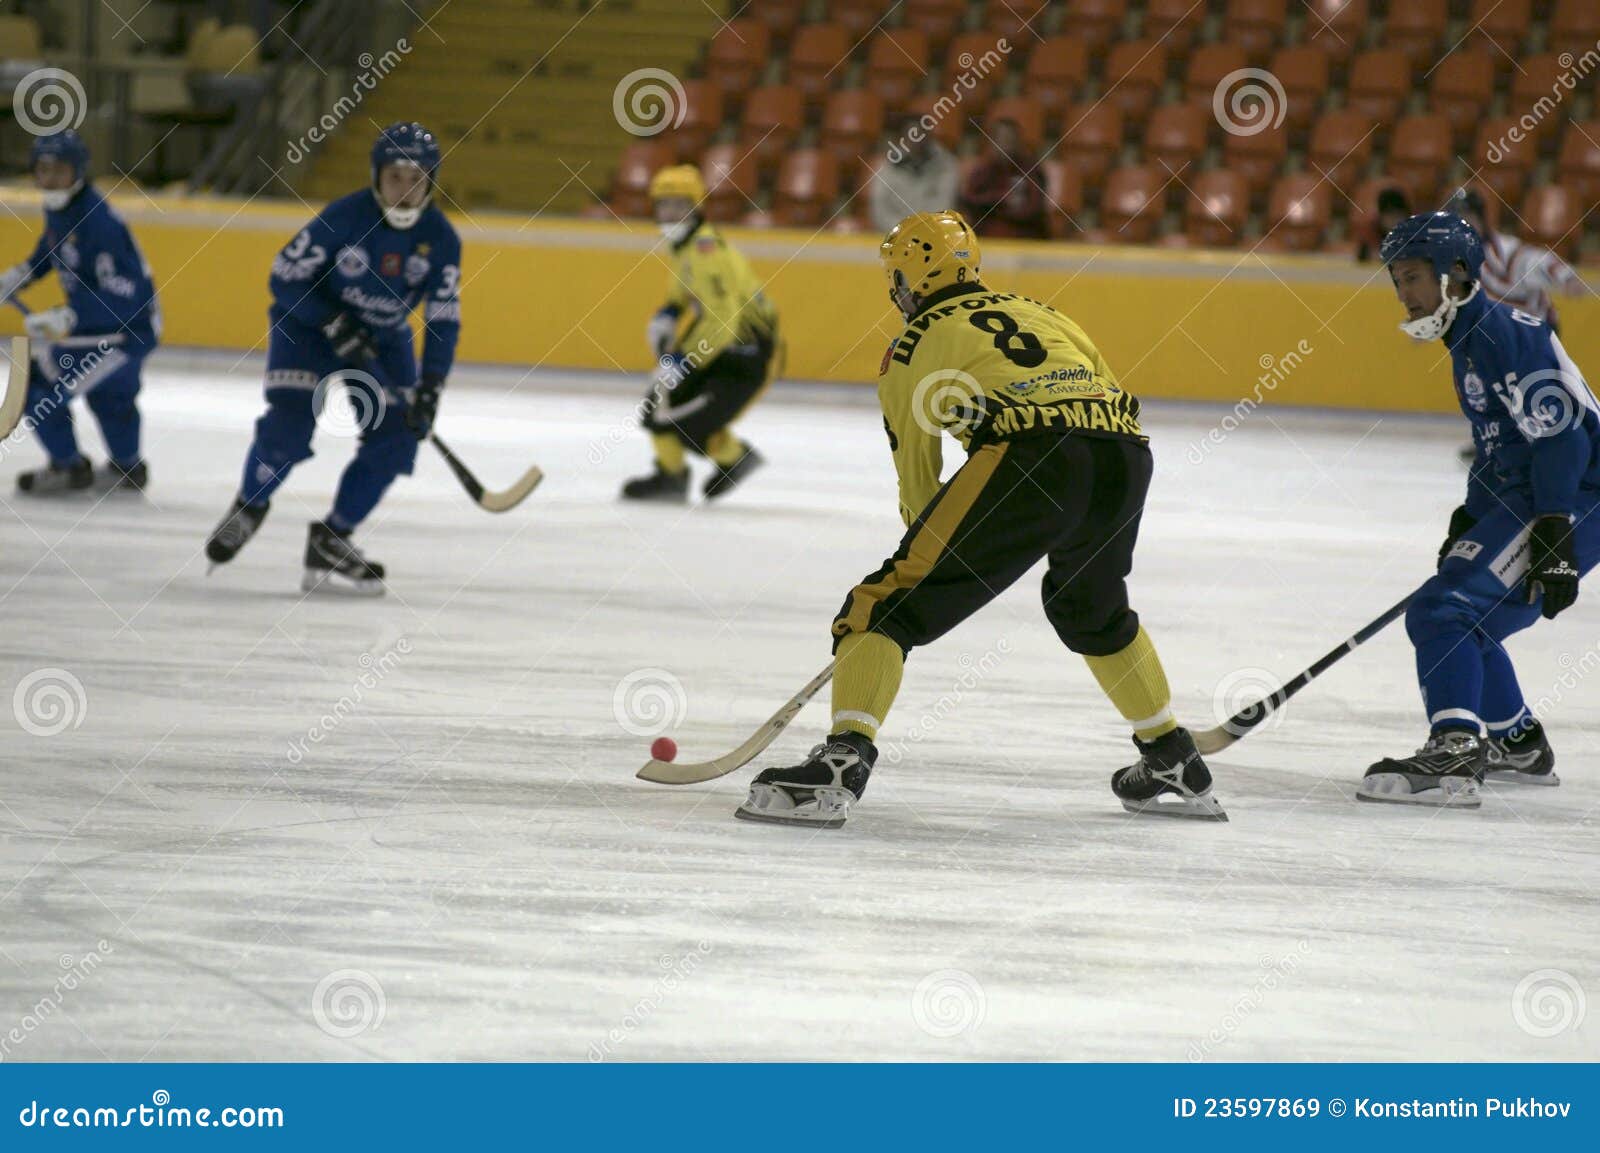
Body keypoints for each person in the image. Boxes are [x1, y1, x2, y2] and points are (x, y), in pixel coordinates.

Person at [736, 210, 1225, 828]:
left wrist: (920, 569)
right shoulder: (1041, 311)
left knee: (883, 605)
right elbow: (1105, 387)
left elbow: (919, 485)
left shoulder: (910, 347)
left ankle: (841, 762)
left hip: (1033, 457)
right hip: (1124, 455)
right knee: (1090, 606)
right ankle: (1169, 756)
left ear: (909, 280)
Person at [1360, 212, 1600, 808]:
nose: (1405, 295)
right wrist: (1470, 519)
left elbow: (1563, 438)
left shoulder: (1502, 334)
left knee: (1443, 610)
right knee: (1470, 622)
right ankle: (1516, 742)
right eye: (1398, 281)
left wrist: (1553, 529)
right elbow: (1503, 448)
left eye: (1413, 277)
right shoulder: (1468, 342)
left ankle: (1455, 752)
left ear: (1456, 273)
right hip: (1547, 494)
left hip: (1578, 495)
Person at [204, 122, 462, 595]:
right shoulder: (344, 217)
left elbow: (444, 320)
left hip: (383, 338)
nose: (405, 191)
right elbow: (284, 278)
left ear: (432, 181)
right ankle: (250, 505)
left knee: (398, 438)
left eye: (416, 179)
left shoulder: (442, 240)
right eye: (395, 178)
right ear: (376, 176)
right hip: (308, 330)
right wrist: (333, 322)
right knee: (289, 425)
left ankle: (332, 539)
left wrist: (431, 387)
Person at [0, 130, 159, 494]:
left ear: (79, 171)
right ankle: (127, 466)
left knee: (37, 386)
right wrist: (18, 276)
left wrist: (68, 316)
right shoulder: (64, 208)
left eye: (59, 170)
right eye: (43, 170)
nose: (50, 179)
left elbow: (125, 291)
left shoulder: (99, 223)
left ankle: (68, 467)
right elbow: (52, 249)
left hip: (120, 332)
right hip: (121, 331)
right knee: (111, 397)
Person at [622, 164, 778, 503]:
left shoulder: (708, 251)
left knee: (685, 420)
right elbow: (684, 292)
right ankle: (672, 474)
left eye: (679, 206)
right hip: (719, 345)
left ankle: (731, 458)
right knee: (657, 407)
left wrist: (682, 361)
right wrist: (670, 311)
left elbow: (724, 322)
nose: (670, 214)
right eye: (663, 205)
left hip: (743, 354)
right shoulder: (685, 245)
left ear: (697, 207)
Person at [1447, 187, 1584, 331]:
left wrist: (1567, 277)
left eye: (1466, 219)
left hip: (1535, 334)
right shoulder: (1454, 259)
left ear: (1481, 221)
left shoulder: (1504, 252)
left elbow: (1537, 260)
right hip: (1499, 337)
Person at [868, 113, 960, 234]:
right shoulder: (886, 166)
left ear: (929, 137)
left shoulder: (946, 166)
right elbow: (880, 208)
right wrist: (902, 230)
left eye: (921, 135)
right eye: (911, 135)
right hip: (893, 235)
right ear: (902, 138)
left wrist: (922, 230)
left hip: (935, 235)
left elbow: (945, 205)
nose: (916, 141)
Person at [957, 119, 1047, 240]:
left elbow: (1034, 209)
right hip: (986, 238)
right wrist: (1000, 199)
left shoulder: (1032, 171)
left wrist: (1004, 207)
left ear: (1018, 142)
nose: (1005, 145)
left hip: (1024, 239)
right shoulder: (982, 171)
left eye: (1010, 140)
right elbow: (970, 201)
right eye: (1000, 139)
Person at [1354, 185, 1410, 263]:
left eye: (1397, 216)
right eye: (1390, 216)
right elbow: (1363, 254)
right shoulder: (1371, 229)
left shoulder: (1412, 230)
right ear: (1381, 217)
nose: (1394, 221)